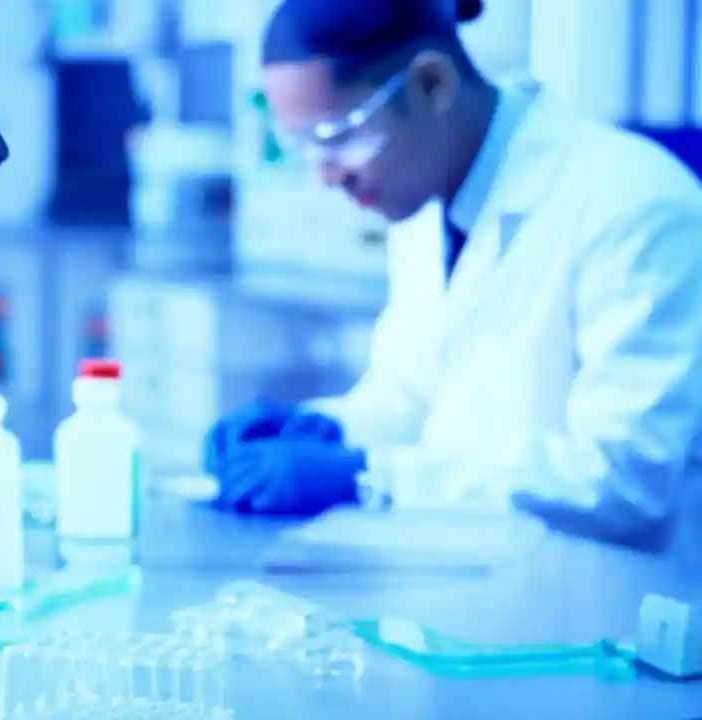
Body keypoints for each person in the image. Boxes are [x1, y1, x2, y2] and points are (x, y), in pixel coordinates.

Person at [205, 0, 702, 550]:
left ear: (431, 84)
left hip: (608, 603)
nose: (327, 177)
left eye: (338, 137)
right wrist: (331, 429)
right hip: (468, 587)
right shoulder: (423, 199)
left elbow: (622, 478)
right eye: (306, 148)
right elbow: (416, 395)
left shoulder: (633, 203)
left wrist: (367, 474)